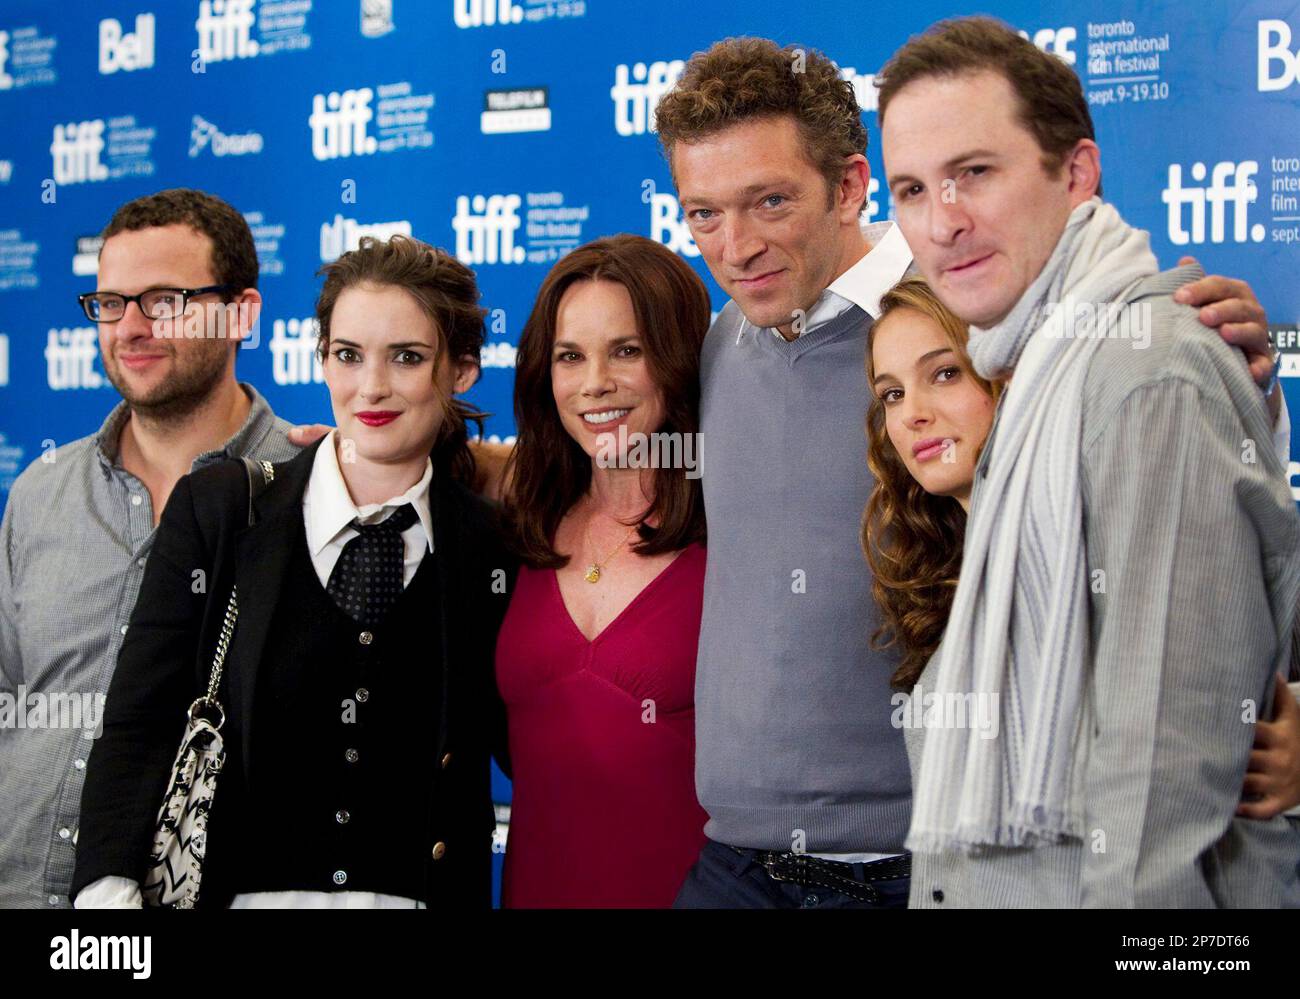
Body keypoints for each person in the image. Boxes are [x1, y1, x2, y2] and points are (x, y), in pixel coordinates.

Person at [648, 36, 1291, 909]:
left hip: (937, 854)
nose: (736, 245)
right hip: (740, 862)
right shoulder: (725, 341)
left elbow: (1201, 601)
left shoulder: (975, 312)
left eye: (768, 201)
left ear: (846, 186)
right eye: (704, 214)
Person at [877, 16, 1300, 906]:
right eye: (911, 189)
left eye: (974, 174)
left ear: (1076, 172)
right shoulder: (1030, 371)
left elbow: (1161, 770)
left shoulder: (1143, 373)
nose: (941, 222)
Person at [70, 234, 513, 908]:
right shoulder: (223, 511)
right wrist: (107, 897)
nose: (372, 386)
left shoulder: (490, 542)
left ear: (461, 370)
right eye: (348, 355)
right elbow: (141, 720)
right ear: (322, 361)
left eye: (407, 357)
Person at [863, 278, 1300, 882]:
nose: (912, 413)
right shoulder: (951, 565)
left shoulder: (1107, 538)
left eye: (945, 374)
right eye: (890, 393)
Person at [0, 188, 302, 909]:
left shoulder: (306, 492)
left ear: (243, 312)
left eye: (165, 300)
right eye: (110, 302)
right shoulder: (40, 493)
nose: (130, 327)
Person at [495, 234, 710, 907]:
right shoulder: (518, 525)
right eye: (570, 356)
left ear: (676, 359)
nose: (595, 383)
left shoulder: (737, 530)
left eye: (627, 349)